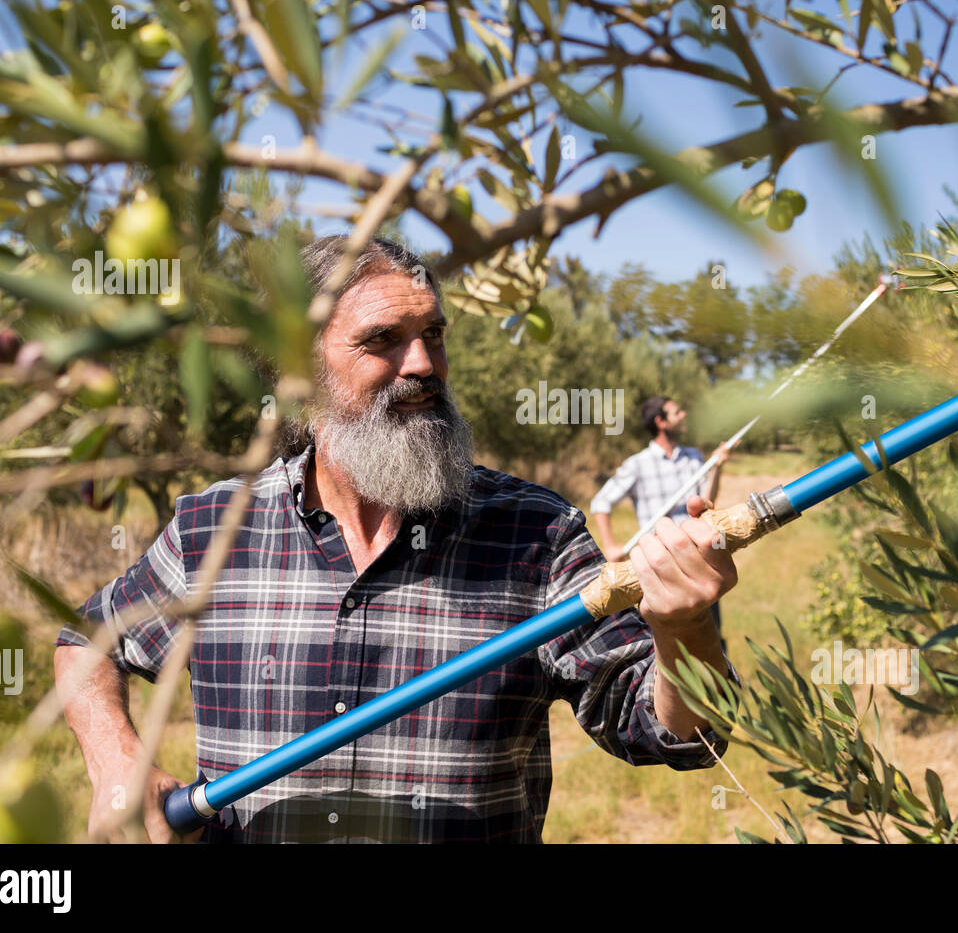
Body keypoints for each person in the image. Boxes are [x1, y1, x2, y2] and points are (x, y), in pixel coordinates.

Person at [53, 235, 739, 844]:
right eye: (383, 340)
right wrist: (115, 762)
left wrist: (686, 630)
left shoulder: (536, 533)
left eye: (433, 335)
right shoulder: (213, 530)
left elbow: (679, 738)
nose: (422, 365)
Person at [591, 397, 732, 629]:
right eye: (677, 412)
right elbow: (601, 503)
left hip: (699, 558)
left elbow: (708, 500)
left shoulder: (694, 456)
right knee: (673, 636)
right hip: (662, 565)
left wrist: (717, 466)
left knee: (711, 631)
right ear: (661, 422)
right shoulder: (637, 464)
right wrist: (610, 546)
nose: (683, 415)